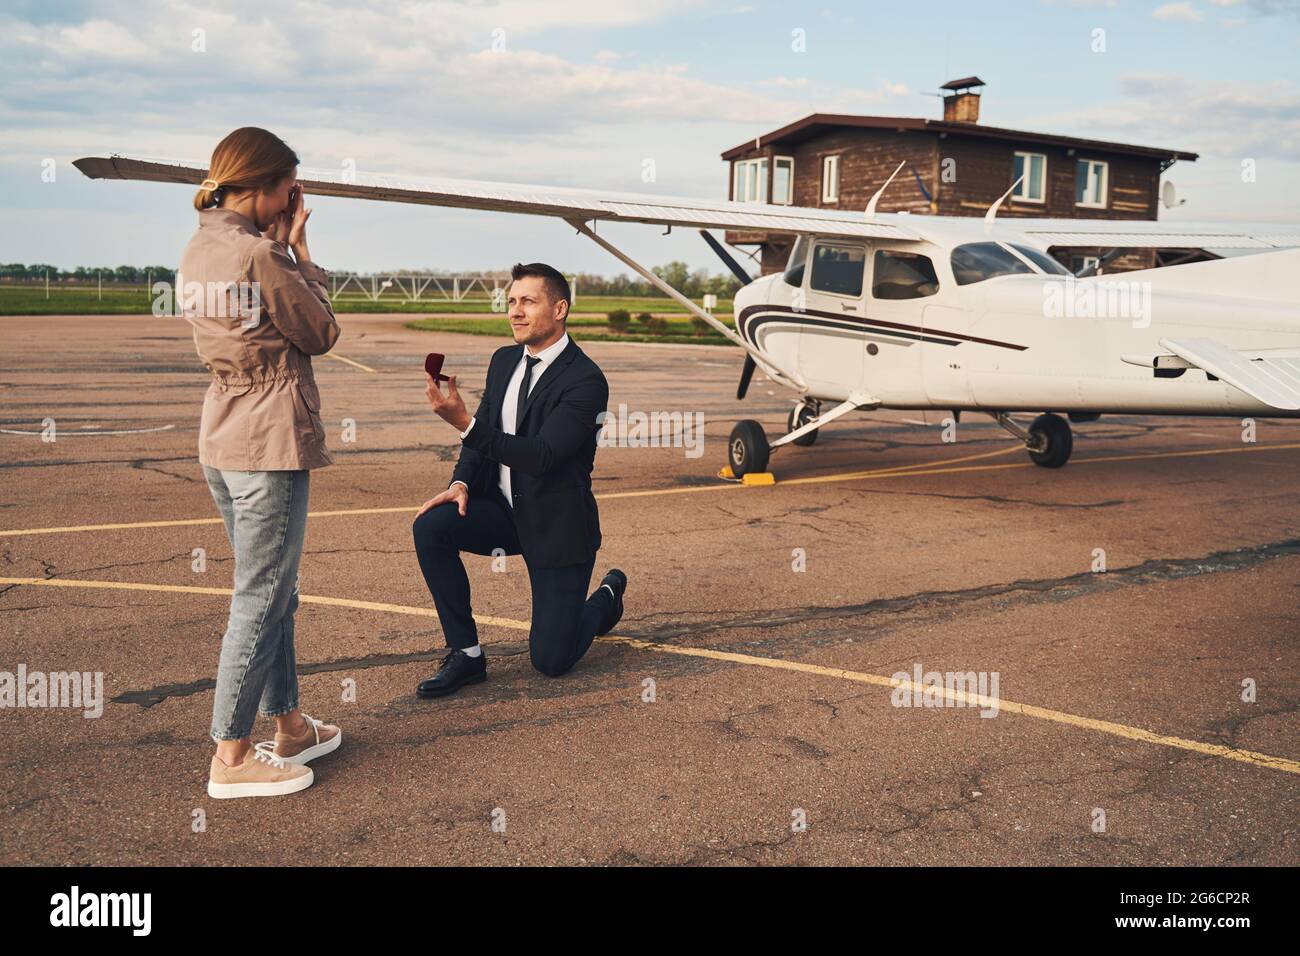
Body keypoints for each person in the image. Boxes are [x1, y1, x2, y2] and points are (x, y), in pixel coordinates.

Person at [178, 127, 343, 798]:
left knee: (276, 590)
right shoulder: (263, 256)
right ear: (270, 187)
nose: (291, 199)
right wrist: (301, 247)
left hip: (223, 432)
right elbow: (321, 331)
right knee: (262, 596)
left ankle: (291, 724)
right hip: (269, 440)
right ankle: (232, 754)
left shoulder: (200, 245)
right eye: (288, 187)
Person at [412, 262, 627, 697]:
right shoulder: (503, 360)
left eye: (527, 301)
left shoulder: (586, 380)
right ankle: (467, 655)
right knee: (431, 526)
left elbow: (542, 456)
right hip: (506, 513)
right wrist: (462, 484)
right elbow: (483, 439)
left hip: (557, 527)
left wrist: (465, 424)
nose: (515, 311)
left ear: (560, 308)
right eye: (511, 301)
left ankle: (605, 598)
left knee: (551, 662)